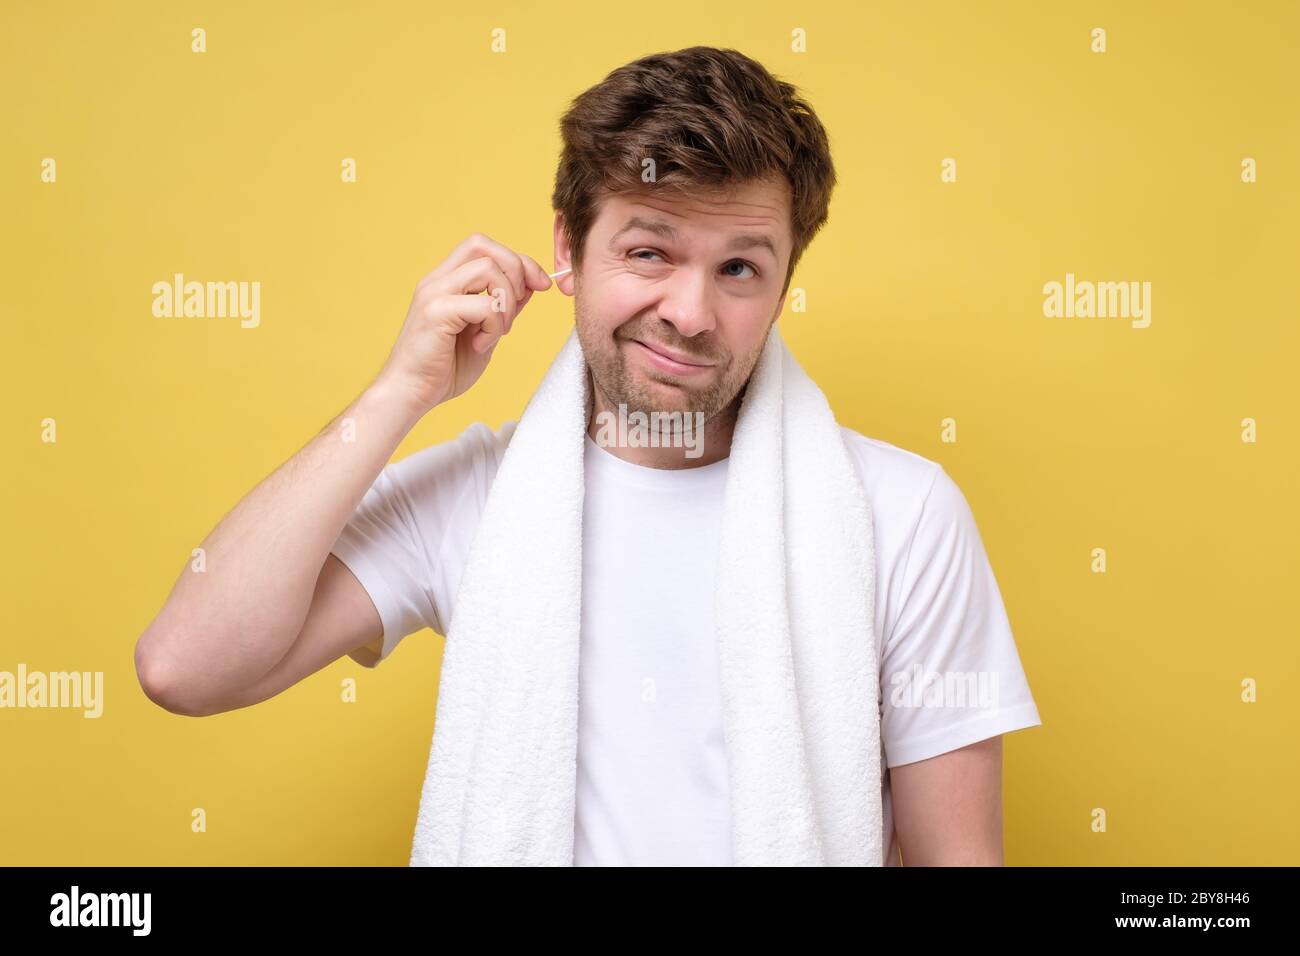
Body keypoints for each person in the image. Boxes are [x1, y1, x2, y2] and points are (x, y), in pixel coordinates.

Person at [135, 46, 1041, 866]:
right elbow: (187, 668)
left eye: (739, 269)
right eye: (649, 250)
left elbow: (955, 860)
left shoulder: (902, 512)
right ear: (568, 249)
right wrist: (397, 396)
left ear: (782, 284)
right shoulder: (478, 499)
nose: (689, 312)